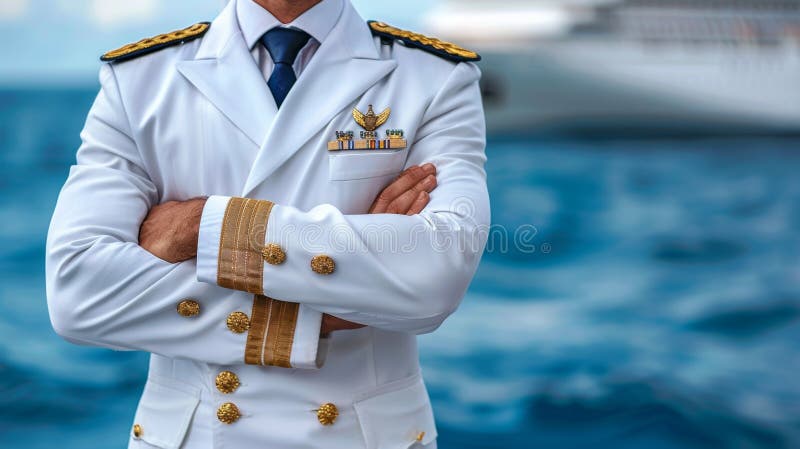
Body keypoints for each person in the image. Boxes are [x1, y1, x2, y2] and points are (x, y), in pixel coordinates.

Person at [45, 0, 489, 447]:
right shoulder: (137, 79)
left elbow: (435, 275)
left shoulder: (435, 76)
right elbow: (77, 291)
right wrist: (350, 278)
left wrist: (200, 227)